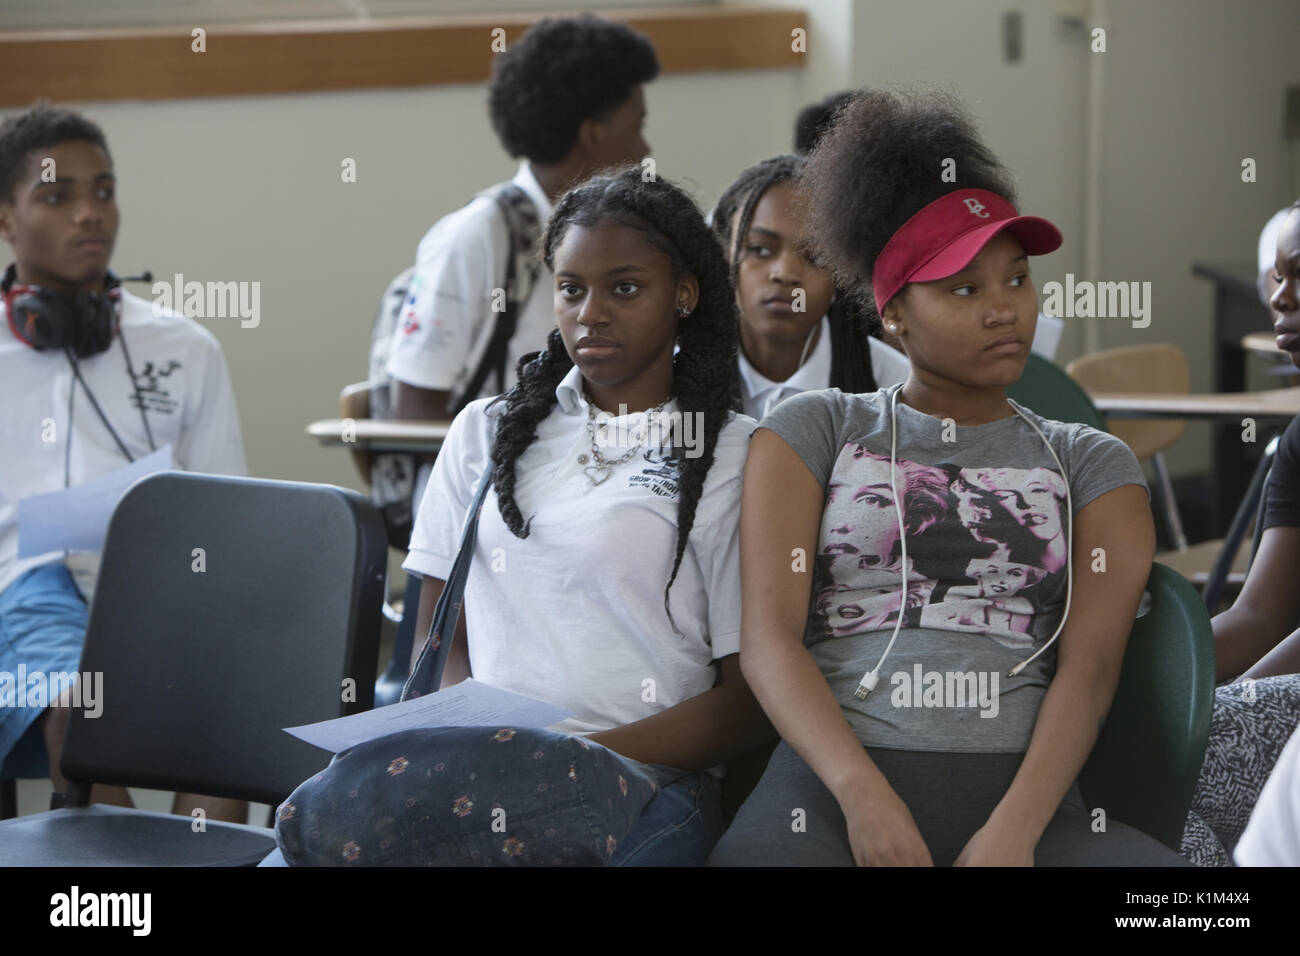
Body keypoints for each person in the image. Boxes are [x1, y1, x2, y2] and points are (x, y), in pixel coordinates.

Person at [708, 87, 1187, 866]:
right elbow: (767, 641)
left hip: (1024, 797)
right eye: (965, 290)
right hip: (829, 791)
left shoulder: (1096, 461)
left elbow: (1091, 671)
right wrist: (862, 799)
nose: (1004, 310)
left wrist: (1014, 833)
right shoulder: (813, 430)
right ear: (895, 314)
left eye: (1017, 279)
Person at [265, 167, 770, 866]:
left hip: (647, 781)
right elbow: (435, 639)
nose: (590, 313)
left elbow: (746, 703)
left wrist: (567, 759)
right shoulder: (486, 431)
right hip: (474, 778)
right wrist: (493, 752)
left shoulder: (736, 452)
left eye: (624, 288)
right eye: (571, 289)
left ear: (683, 295)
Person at [0, 103, 247, 822]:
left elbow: (224, 511)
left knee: (232, 709)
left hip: (160, 580)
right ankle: (129, 891)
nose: (89, 214)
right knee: (83, 711)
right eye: (57, 196)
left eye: (103, 192)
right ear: (6, 219)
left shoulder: (184, 347)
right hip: (24, 583)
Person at [385, 14, 659, 427]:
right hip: (485, 479)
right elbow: (414, 411)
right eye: (637, 127)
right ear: (592, 135)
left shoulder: (626, 235)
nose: (644, 149)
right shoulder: (478, 236)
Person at [711, 154, 905, 422]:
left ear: (842, 274)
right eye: (760, 249)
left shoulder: (895, 388)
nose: (785, 274)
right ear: (725, 254)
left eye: (816, 257)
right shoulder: (676, 379)